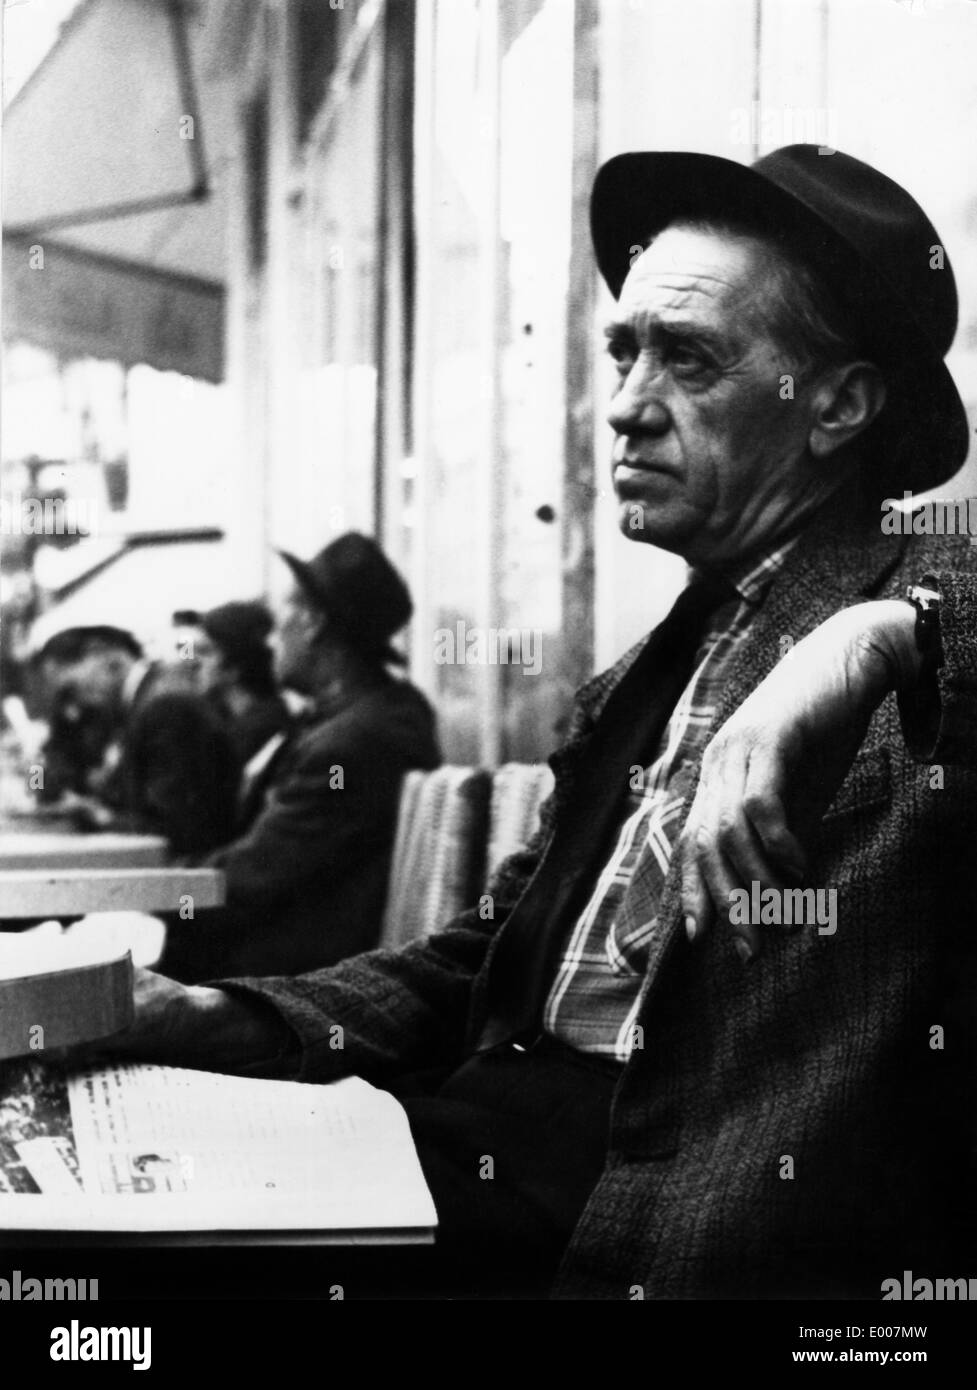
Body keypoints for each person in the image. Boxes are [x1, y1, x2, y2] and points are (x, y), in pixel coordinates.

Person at [93, 145, 977, 1300]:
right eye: (622, 350)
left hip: (635, 1216)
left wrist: (870, 637)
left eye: (688, 360)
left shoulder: (909, 620)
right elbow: (475, 961)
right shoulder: (636, 681)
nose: (622, 406)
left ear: (839, 406)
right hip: (450, 1149)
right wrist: (216, 1016)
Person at [158, 532, 442, 982]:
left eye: (280, 619)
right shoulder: (379, 716)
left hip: (288, 987)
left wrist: (142, 891)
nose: (270, 642)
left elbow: (251, 879)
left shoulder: (352, 745)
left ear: (312, 623)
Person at [37, 624, 239, 855]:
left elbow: (176, 829)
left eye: (70, 691)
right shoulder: (144, 701)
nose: (75, 705)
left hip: (183, 880)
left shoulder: (165, 706)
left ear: (102, 655)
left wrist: (98, 818)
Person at [191, 600, 291, 767]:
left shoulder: (258, 733)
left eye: (205, 652)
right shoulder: (223, 720)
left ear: (234, 668)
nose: (194, 663)